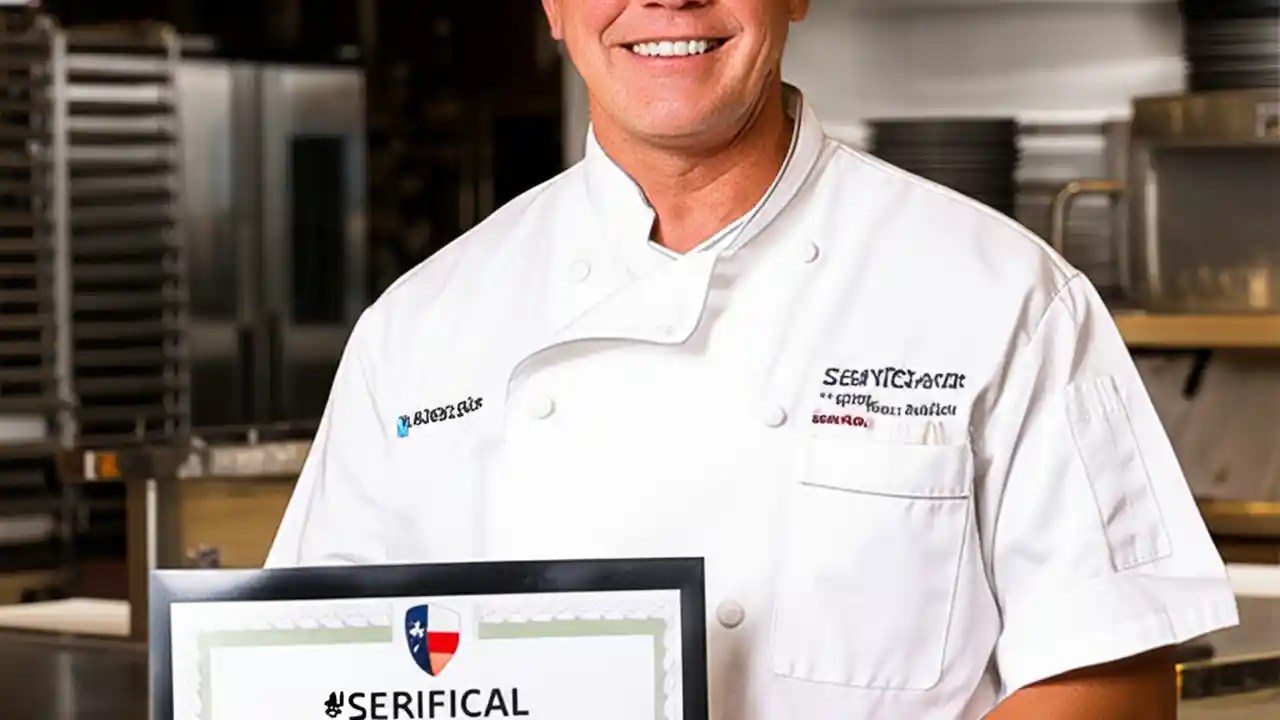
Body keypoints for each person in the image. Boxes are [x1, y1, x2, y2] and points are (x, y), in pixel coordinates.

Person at [266, 0, 1239, 716]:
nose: (667, 2)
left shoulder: (1003, 296)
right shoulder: (419, 327)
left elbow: (1109, 676)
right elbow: (311, 668)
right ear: (552, 9)